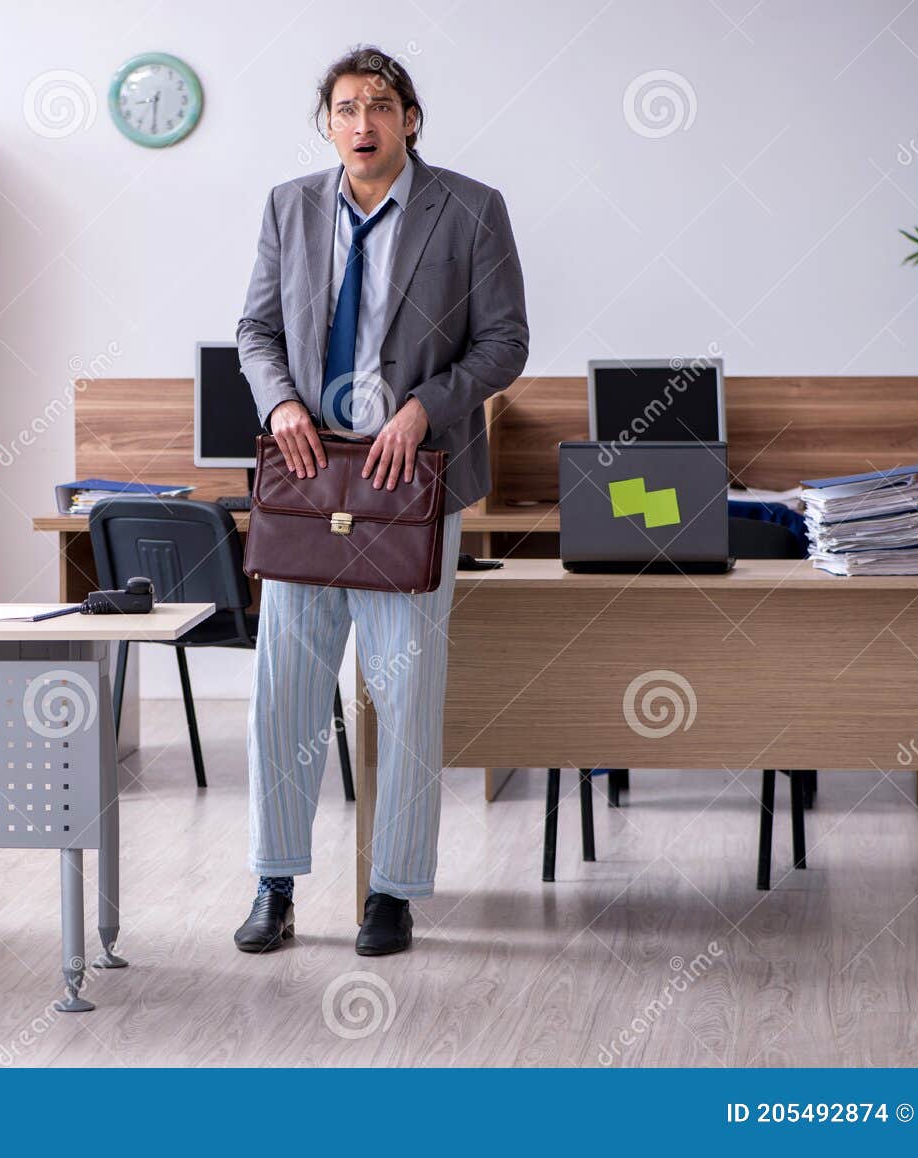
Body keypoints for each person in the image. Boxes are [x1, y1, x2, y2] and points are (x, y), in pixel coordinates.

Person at [234, 46, 529, 955]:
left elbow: (505, 342)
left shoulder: (471, 209)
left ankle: (391, 894)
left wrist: (424, 410)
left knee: (405, 696)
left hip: (410, 482)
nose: (363, 123)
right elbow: (255, 328)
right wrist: (280, 400)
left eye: (382, 106)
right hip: (308, 477)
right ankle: (273, 884)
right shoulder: (290, 205)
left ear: (410, 119)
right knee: (282, 694)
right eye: (346, 107)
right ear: (326, 122)